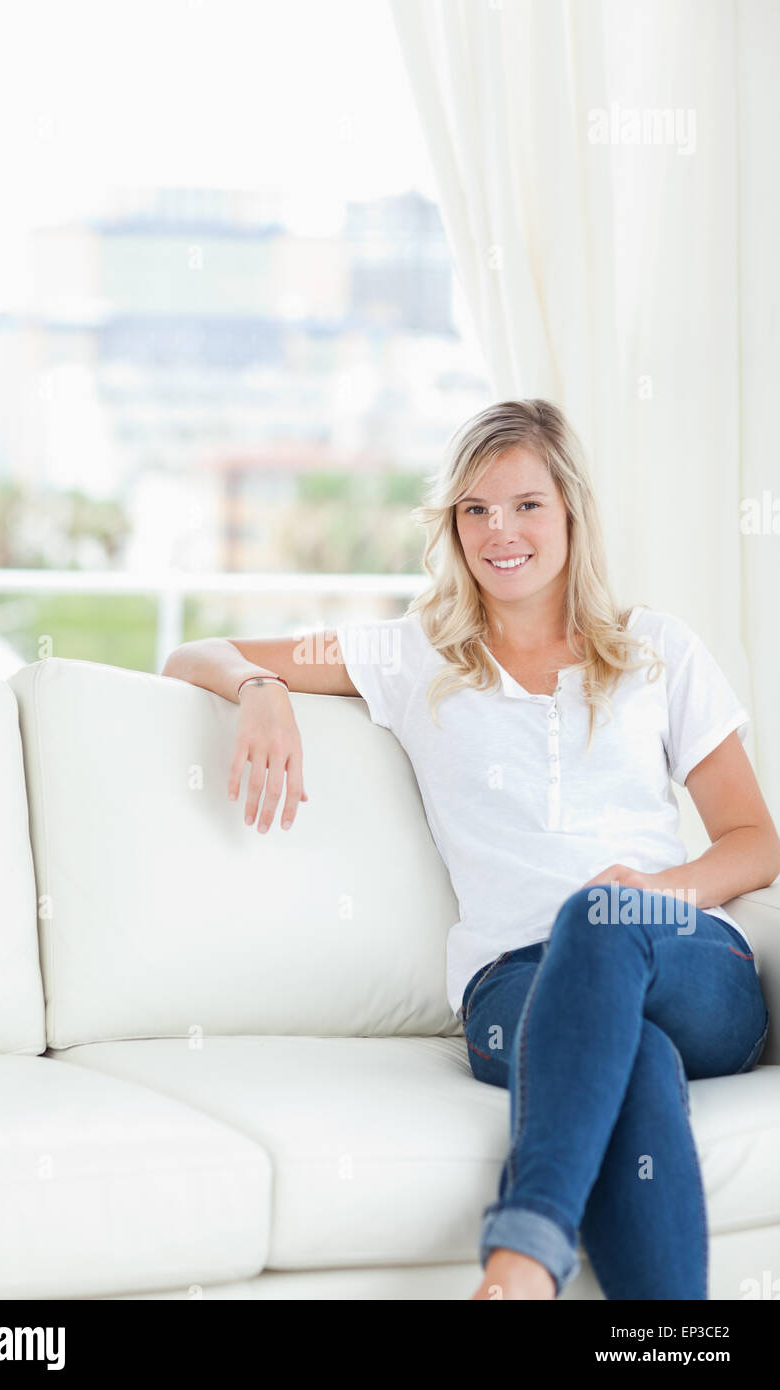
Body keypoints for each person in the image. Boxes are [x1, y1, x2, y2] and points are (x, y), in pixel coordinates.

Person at [161, 398, 778, 1301]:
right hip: (515, 984)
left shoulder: (657, 649)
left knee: (600, 917)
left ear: (570, 511)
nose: (500, 532)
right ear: (451, 524)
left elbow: (755, 841)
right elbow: (195, 651)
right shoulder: (415, 656)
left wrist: (660, 892)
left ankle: (522, 1256)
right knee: (636, 1061)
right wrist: (259, 689)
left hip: (683, 958)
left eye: (526, 505)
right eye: (476, 509)